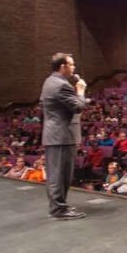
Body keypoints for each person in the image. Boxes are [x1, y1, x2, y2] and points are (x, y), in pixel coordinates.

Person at [40, 53, 89, 220]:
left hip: (54, 133)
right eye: (71, 65)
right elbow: (77, 107)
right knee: (60, 174)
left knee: (57, 173)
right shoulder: (61, 85)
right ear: (63, 67)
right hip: (61, 135)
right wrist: (81, 91)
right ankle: (59, 210)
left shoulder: (49, 81)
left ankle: (58, 206)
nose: (74, 68)